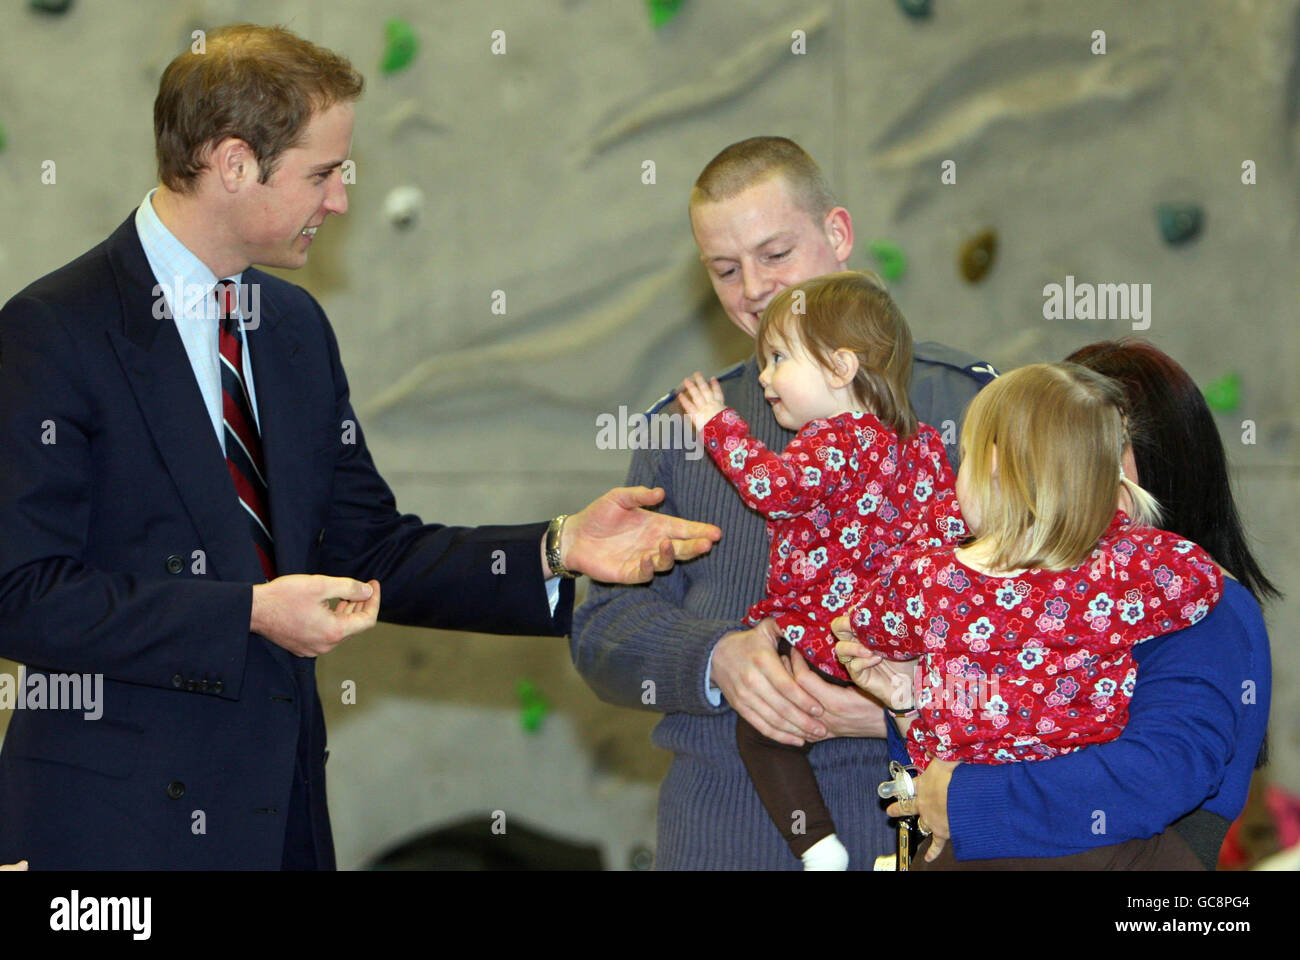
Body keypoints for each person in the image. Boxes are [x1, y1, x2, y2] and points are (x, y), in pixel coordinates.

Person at [0, 24, 721, 871]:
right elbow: (21, 594)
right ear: (235, 164)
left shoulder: (294, 328)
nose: (342, 198)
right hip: (110, 840)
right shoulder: (52, 331)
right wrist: (249, 614)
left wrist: (560, 549)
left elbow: (372, 547)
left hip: (284, 822)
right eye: (323, 172)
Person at [570, 136, 997, 869]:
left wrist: (914, 701)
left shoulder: (972, 410)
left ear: (838, 235)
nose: (754, 290)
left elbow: (1066, 621)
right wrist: (715, 657)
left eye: (775, 254)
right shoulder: (684, 429)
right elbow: (603, 630)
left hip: (928, 823)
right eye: (725, 270)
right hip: (727, 826)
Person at [837, 340, 1275, 869]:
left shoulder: (1192, 600)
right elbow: (927, 794)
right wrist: (907, 701)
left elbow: (1162, 774)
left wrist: (966, 801)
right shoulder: (957, 580)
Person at [676, 271, 956, 869]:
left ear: (840, 367)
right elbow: (948, 534)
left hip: (824, 632)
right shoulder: (922, 444)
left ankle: (818, 847)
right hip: (896, 643)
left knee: (762, 726)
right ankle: (912, 853)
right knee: (915, 743)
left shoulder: (830, 437)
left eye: (778, 358)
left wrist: (717, 426)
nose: (765, 376)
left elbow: (771, 489)